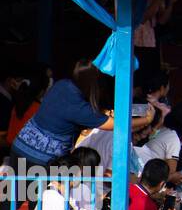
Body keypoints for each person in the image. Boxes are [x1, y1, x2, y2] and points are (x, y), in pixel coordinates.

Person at [10, 61, 150, 168]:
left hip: (19, 146)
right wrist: (146, 119)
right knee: (34, 198)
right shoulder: (79, 108)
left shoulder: (62, 85)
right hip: (38, 160)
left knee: (13, 195)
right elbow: (115, 124)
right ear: (93, 85)